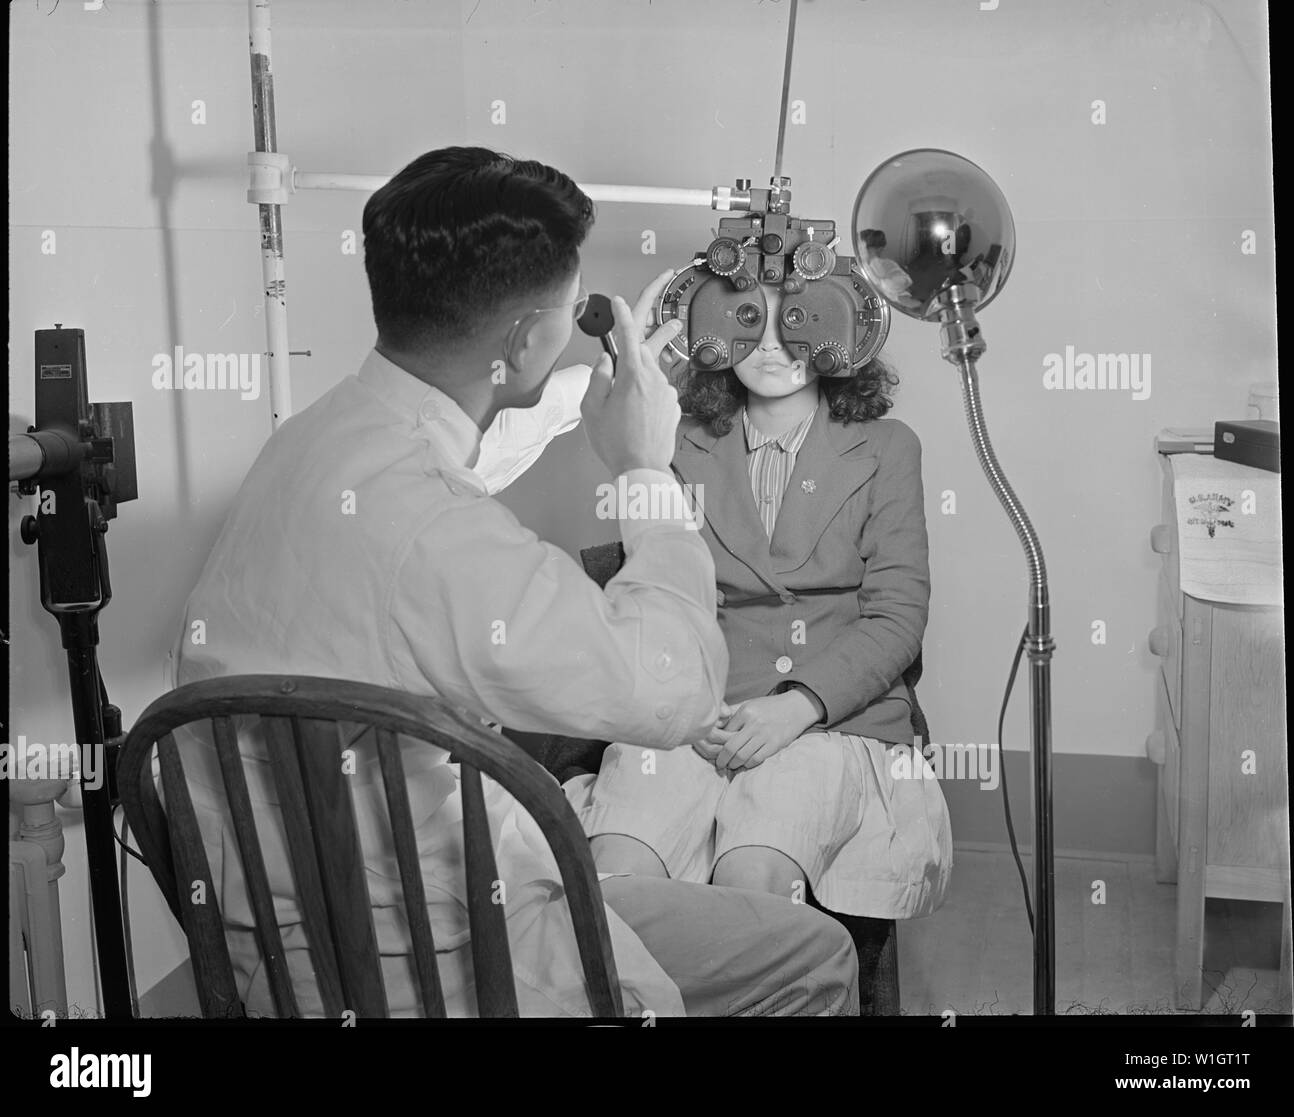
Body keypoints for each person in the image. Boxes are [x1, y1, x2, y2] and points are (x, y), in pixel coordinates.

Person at [167, 146, 858, 1018]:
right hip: (448, 964)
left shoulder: (309, 445)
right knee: (814, 951)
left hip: (276, 951)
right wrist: (644, 467)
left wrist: (580, 397)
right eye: (568, 316)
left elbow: (427, 485)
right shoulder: (451, 539)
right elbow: (675, 689)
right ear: (528, 337)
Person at [578, 280, 953, 922]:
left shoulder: (889, 446)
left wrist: (796, 708)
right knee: (616, 869)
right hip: (697, 713)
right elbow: (657, 594)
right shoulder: (670, 440)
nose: (774, 344)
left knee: (755, 877)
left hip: (830, 720)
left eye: (799, 323)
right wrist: (689, 708)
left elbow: (898, 618)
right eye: (749, 321)